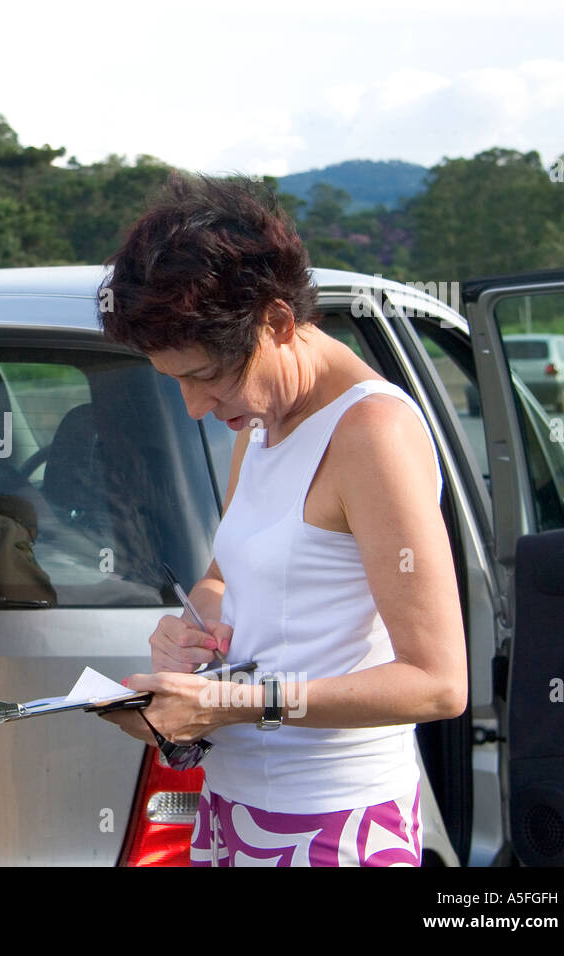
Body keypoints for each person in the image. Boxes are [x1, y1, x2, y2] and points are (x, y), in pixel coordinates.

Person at [96, 173, 467, 866]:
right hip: (232, 804)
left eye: (207, 376)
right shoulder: (264, 419)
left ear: (276, 322)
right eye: (174, 380)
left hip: (335, 823)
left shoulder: (371, 434)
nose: (195, 407)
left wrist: (237, 705)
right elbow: (221, 575)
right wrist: (194, 632)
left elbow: (438, 682)